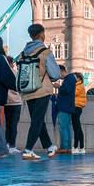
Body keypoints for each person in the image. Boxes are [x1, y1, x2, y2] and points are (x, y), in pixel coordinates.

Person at [16, 23, 62, 161]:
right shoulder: (45, 52)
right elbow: (55, 74)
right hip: (42, 90)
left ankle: (49, 147)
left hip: (27, 91)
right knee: (37, 121)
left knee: (38, 120)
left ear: (31, 35)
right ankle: (28, 150)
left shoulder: (23, 53)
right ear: (42, 34)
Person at [54, 70, 78, 155]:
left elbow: (66, 90)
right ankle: (67, 147)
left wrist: (58, 87)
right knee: (67, 127)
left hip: (64, 107)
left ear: (62, 71)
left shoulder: (69, 78)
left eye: (59, 74)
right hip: (68, 107)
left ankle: (64, 147)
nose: (59, 76)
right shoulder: (71, 78)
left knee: (63, 127)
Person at [4, 56, 22, 147]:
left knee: (7, 125)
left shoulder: (3, 73)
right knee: (14, 125)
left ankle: (7, 143)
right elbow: (21, 88)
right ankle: (13, 145)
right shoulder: (16, 73)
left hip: (6, 102)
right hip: (16, 102)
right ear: (11, 63)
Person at [71, 72, 87, 154]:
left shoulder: (79, 85)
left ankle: (76, 146)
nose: (73, 78)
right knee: (78, 127)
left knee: (76, 127)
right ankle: (81, 147)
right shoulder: (78, 85)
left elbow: (73, 93)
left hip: (77, 106)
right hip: (76, 106)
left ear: (79, 78)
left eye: (74, 77)